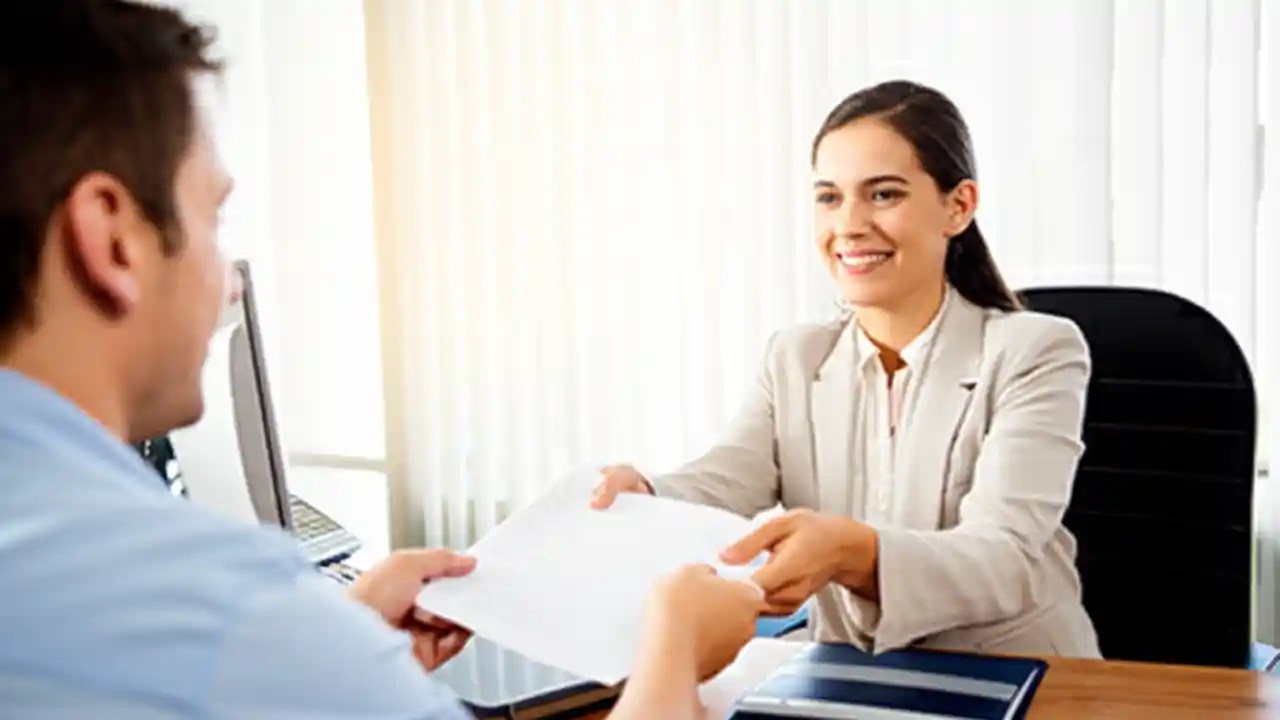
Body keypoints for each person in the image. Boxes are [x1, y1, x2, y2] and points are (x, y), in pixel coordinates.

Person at [0, 2, 762, 718]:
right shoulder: (219, 609)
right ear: (111, 239)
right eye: (214, 217)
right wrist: (674, 650)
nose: (228, 281)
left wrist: (330, 646)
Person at [594, 80, 1101, 658]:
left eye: (883, 195)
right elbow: (727, 477)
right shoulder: (794, 356)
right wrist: (648, 495)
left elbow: (1001, 557)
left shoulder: (1035, 350)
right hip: (851, 671)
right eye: (830, 197)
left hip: (1024, 675)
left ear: (957, 207)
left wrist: (851, 551)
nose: (850, 224)